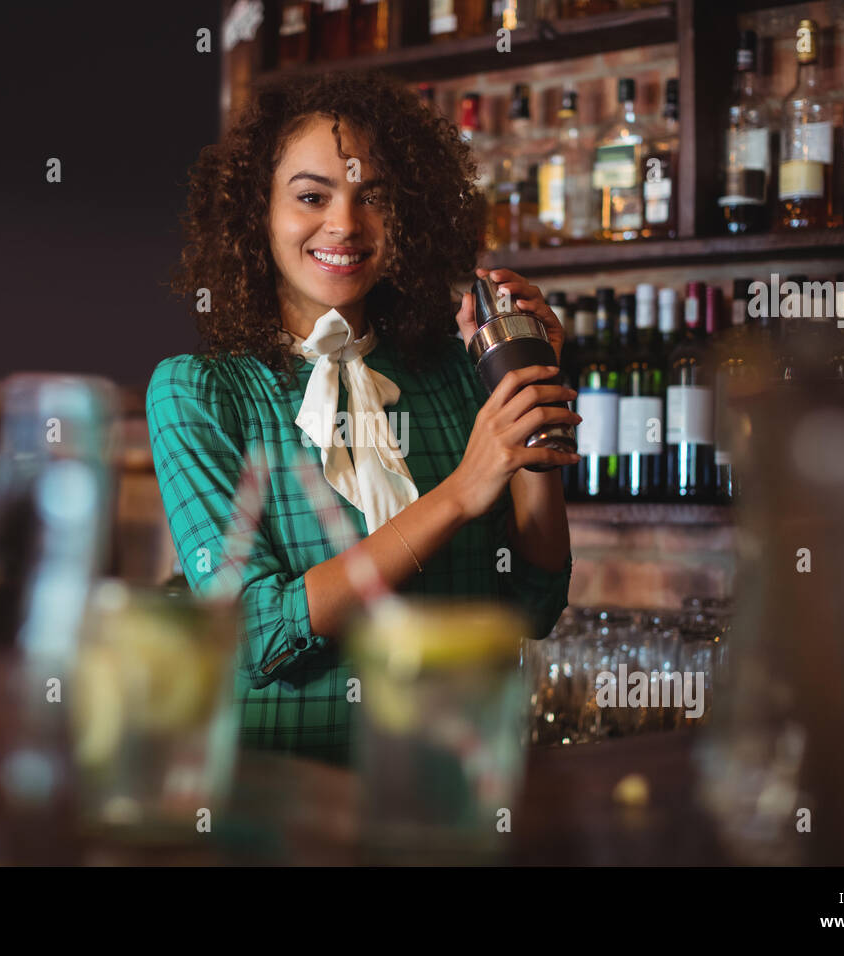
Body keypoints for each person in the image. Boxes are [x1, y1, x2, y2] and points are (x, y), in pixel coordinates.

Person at [147, 71, 578, 765]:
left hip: (452, 784)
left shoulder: (450, 371)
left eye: (372, 198)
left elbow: (532, 604)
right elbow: (260, 633)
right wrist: (460, 494)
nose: (345, 224)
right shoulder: (200, 393)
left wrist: (522, 382)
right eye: (312, 196)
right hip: (288, 800)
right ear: (256, 214)